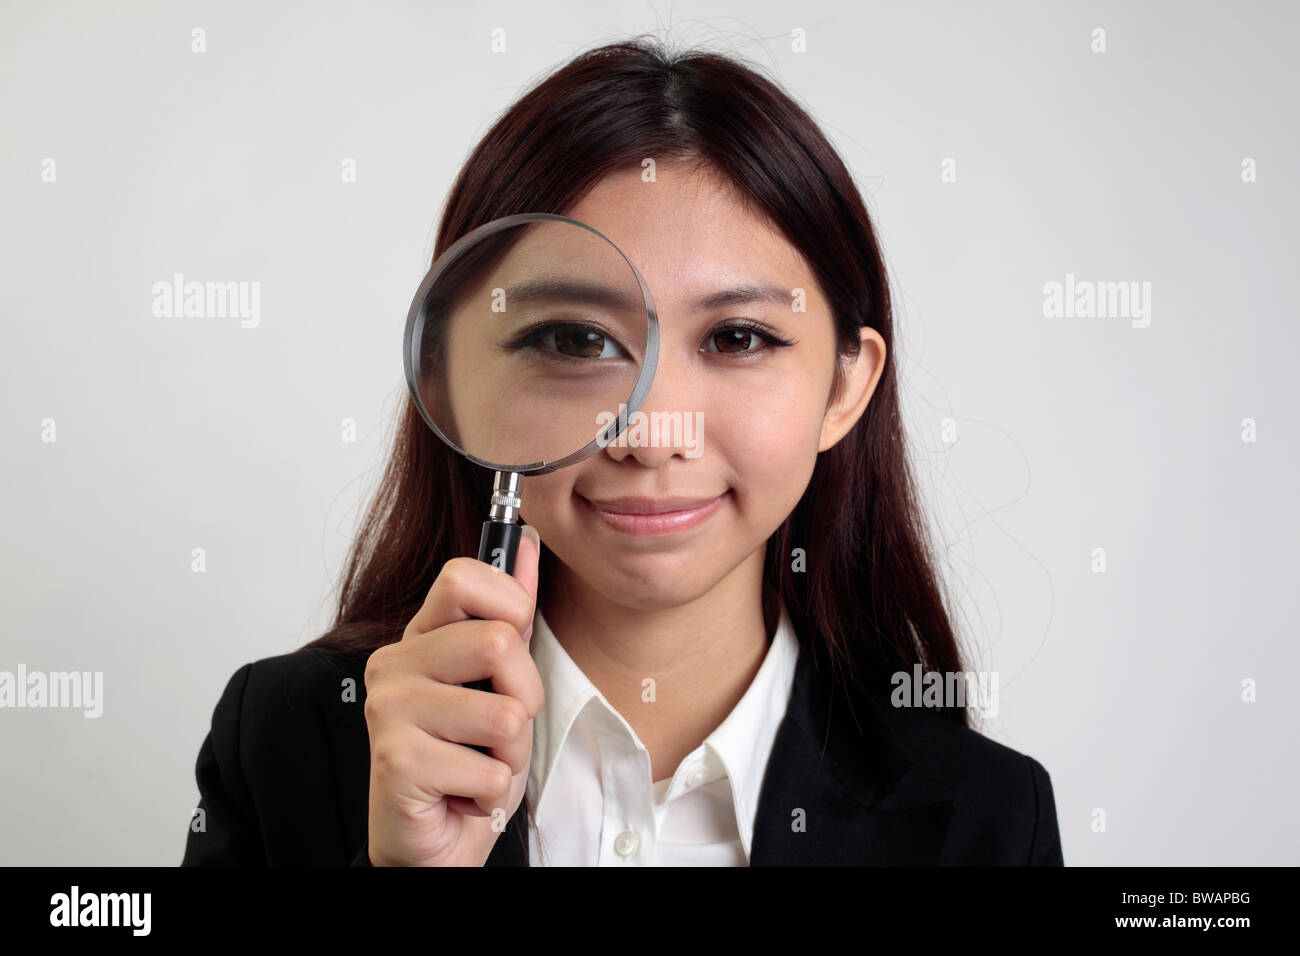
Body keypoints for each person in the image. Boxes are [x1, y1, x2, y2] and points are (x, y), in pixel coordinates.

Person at [182, 35, 1064, 867]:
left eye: (740, 338)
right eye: (574, 340)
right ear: (446, 379)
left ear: (844, 389)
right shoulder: (291, 745)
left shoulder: (985, 820)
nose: (650, 434)